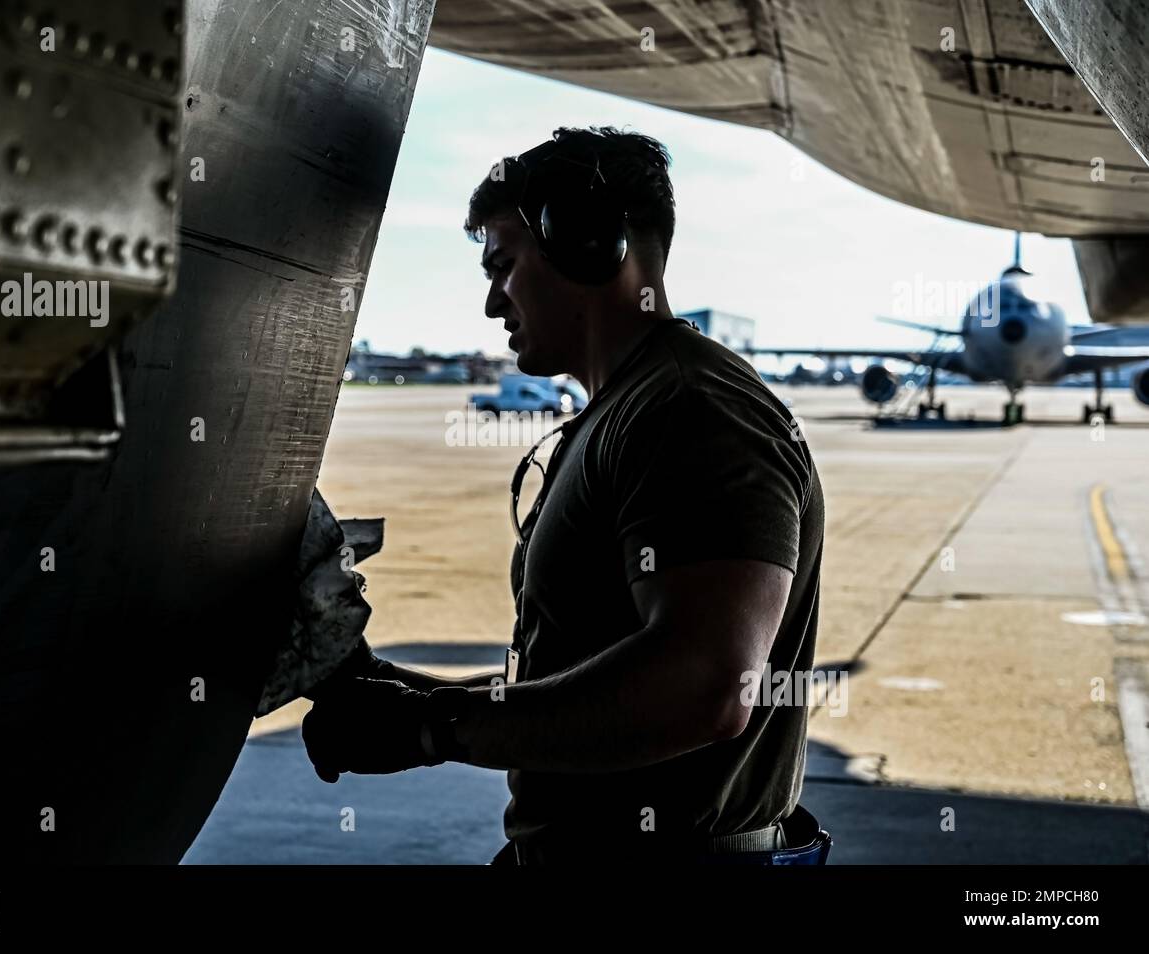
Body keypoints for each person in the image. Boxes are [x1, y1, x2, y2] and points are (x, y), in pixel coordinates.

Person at [301, 126, 828, 865]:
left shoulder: (690, 410)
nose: (492, 303)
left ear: (587, 243)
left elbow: (703, 689)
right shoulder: (629, 410)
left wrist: (431, 729)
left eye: (504, 265)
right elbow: (585, 684)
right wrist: (404, 693)